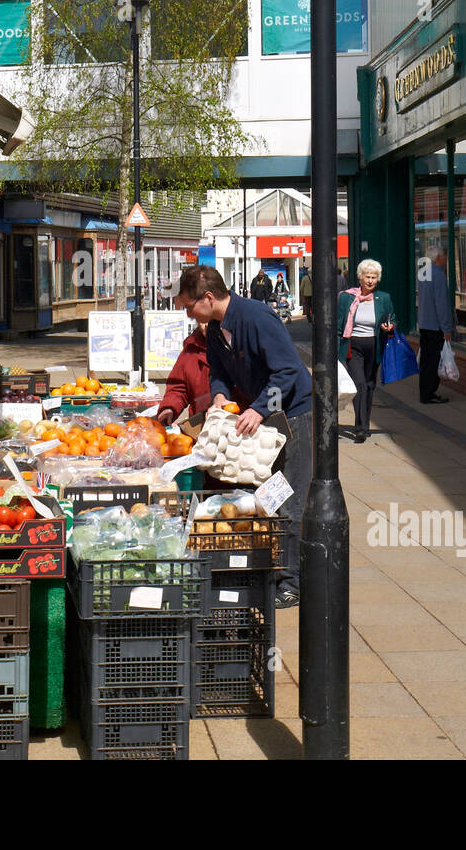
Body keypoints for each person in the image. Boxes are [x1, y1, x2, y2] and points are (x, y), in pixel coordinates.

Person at [174, 265, 312, 610]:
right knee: (263, 495)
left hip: (294, 414)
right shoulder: (218, 328)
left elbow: (289, 370)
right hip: (264, 417)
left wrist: (260, 408)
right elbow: (219, 371)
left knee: (288, 498)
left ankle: (291, 583)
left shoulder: (257, 317)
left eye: (190, 306)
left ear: (208, 298)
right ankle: (269, 570)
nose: (189, 313)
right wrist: (220, 395)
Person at [339, 259, 394, 443]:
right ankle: (360, 428)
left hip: (374, 345)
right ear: (360, 278)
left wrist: (389, 326)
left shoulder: (383, 298)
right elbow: (339, 325)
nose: (370, 280)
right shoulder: (347, 297)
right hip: (353, 347)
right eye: (367, 277)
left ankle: (365, 424)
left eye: (374, 277)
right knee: (359, 385)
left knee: (370, 386)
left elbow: (392, 318)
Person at [417, 244, 454, 404]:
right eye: (444, 255)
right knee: (433, 361)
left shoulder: (423, 273)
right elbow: (442, 304)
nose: (446, 258)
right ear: (438, 257)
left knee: (425, 361)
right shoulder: (439, 275)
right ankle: (429, 394)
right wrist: (446, 328)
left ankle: (424, 391)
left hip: (424, 324)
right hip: (435, 326)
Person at [156, 319, 211, 426]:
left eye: (212, 319)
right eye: (203, 319)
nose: (207, 324)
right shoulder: (191, 348)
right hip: (200, 427)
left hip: (237, 427)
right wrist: (170, 407)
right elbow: (179, 386)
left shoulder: (238, 345)